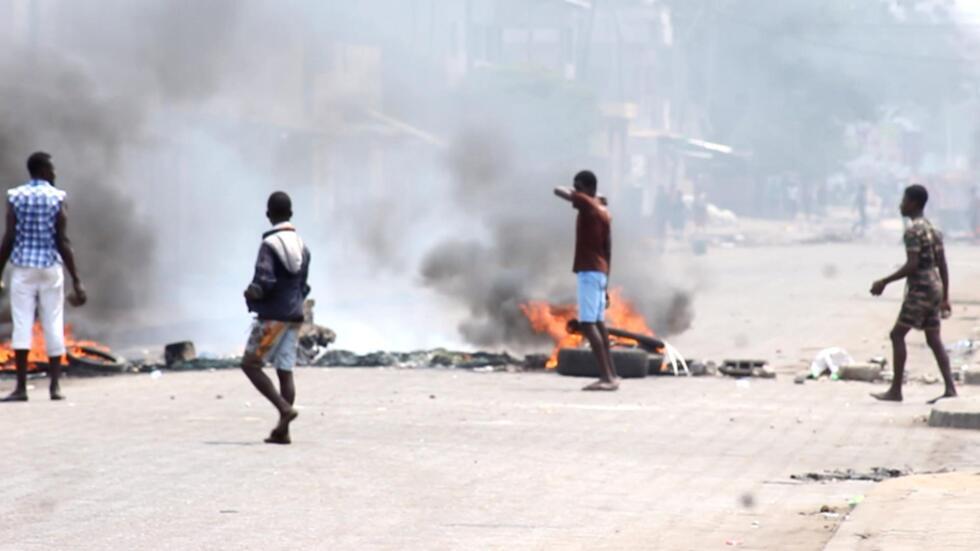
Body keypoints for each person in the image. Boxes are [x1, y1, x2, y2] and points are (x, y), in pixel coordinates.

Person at [0, 152, 87, 402]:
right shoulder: (58, 198)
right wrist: (76, 279)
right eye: (53, 169)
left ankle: (20, 388)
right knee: (53, 323)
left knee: (22, 324)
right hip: (50, 269)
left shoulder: (15, 196)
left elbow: (8, 238)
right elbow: (62, 240)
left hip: (23, 270)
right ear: (43, 170)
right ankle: (55, 387)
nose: (55, 174)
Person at [871, 184, 956, 404]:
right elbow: (943, 265)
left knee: (897, 335)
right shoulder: (932, 229)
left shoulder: (913, 231)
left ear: (914, 203)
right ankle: (950, 388)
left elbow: (912, 264)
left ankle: (896, 390)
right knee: (933, 338)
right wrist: (945, 296)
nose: (901, 204)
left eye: (904, 200)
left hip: (921, 290)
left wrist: (884, 281)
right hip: (935, 287)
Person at [241, 191, 309, 443]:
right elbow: (304, 285)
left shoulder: (269, 245)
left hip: (272, 317)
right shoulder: (302, 246)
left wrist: (251, 294)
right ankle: (283, 431)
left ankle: (283, 408)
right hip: (295, 316)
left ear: (269, 215)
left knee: (250, 364)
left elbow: (264, 280)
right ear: (290, 214)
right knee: (285, 370)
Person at [554, 170, 618, 391]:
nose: (576, 191)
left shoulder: (589, 205)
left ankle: (607, 378)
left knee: (588, 324)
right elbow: (608, 250)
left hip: (589, 272)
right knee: (599, 324)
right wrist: (606, 283)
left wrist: (587, 196)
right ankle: (612, 374)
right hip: (599, 272)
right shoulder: (604, 213)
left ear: (588, 189)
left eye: (579, 187)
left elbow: (557, 190)